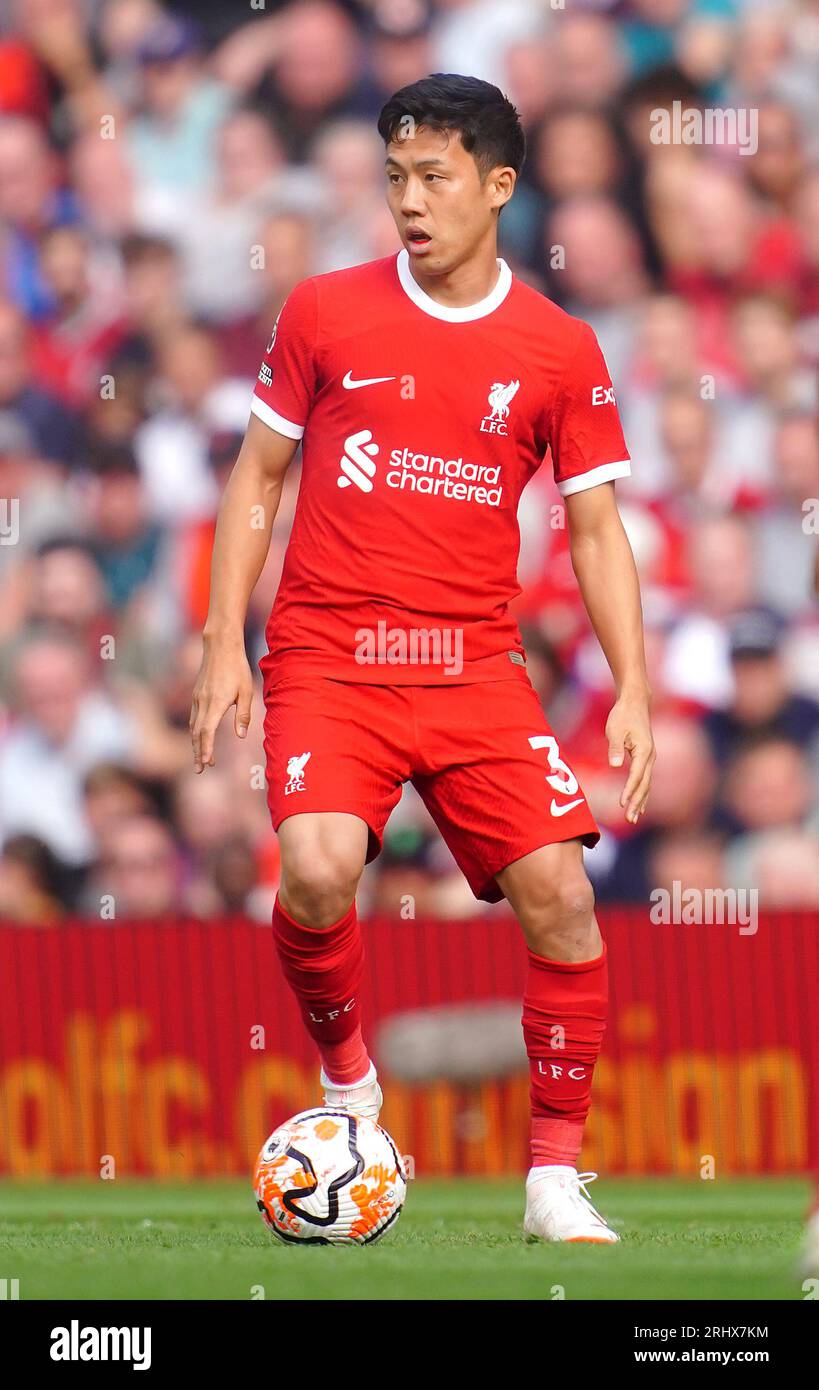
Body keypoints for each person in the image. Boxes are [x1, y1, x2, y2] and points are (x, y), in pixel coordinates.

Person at [190, 74, 655, 1244]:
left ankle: (554, 1175)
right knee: (314, 869)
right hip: (330, 655)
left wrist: (635, 688)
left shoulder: (558, 348)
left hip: (472, 667)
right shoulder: (324, 313)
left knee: (560, 896)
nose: (409, 199)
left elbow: (596, 529)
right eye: (395, 175)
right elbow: (256, 476)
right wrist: (222, 640)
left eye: (435, 176)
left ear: (498, 186)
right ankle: (351, 1087)